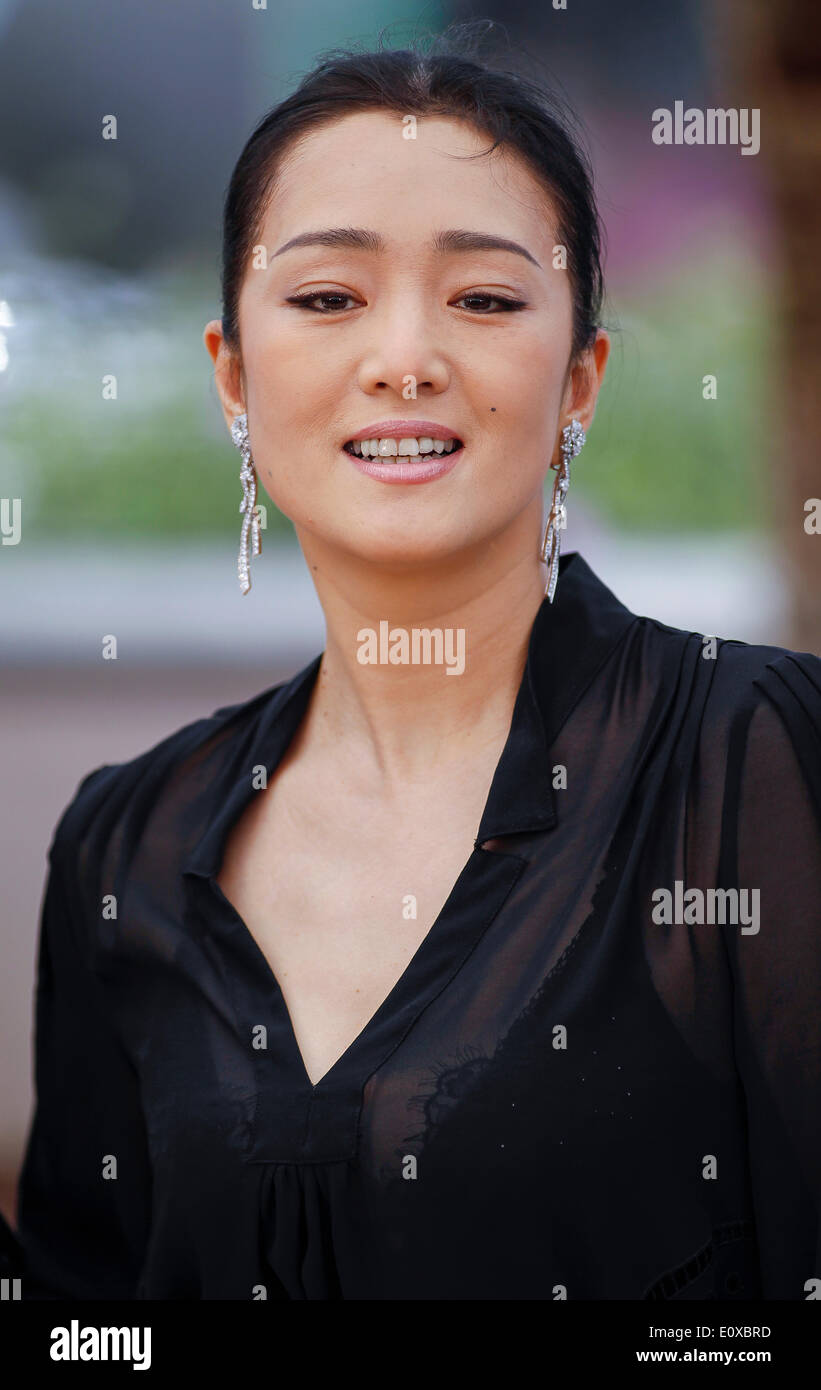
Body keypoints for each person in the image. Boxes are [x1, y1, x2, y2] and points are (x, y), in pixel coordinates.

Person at [6, 31, 821, 1301]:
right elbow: (84, 1323)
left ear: (579, 384)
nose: (404, 357)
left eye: (485, 299)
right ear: (232, 376)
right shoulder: (124, 843)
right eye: (326, 297)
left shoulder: (743, 762)